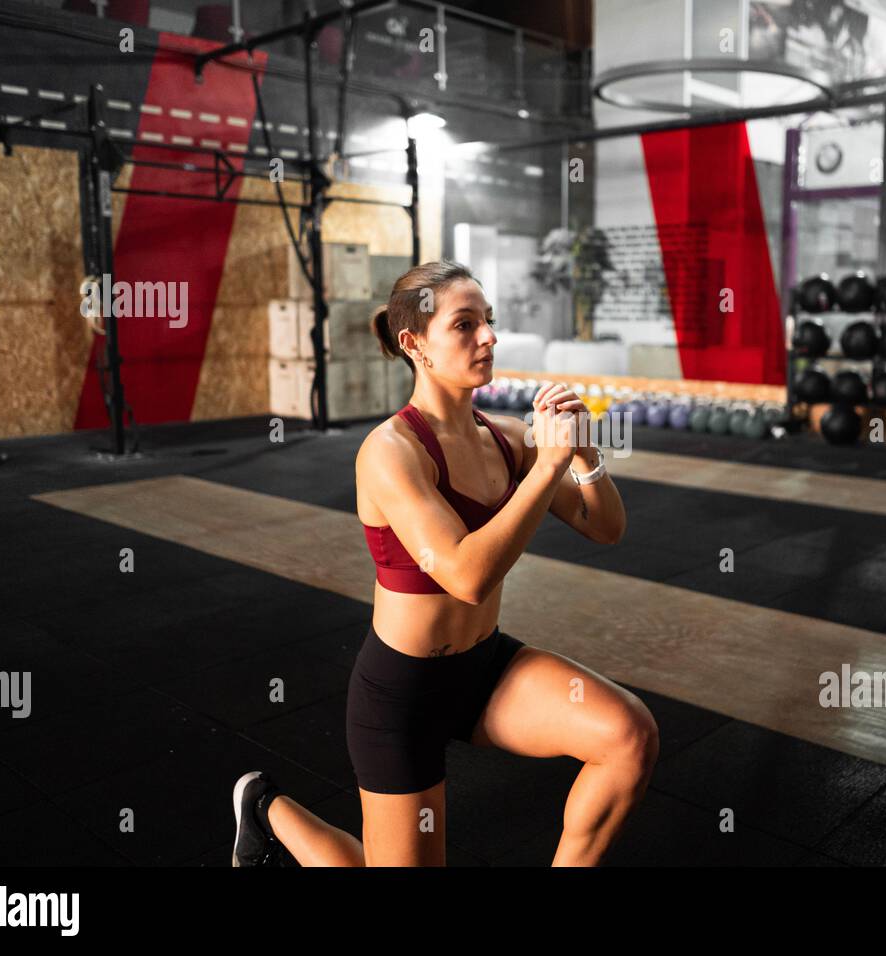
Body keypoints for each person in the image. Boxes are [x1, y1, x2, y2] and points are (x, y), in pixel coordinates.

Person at [232, 259, 657, 867]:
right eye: (465, 324)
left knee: (628, 735)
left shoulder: (506, 438)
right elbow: (466, 576)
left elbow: (606, 527)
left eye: (489, 321)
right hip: (401, 696)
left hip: (484, 670)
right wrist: (546, 467)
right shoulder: (390, 451)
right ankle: (266, 810)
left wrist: (585, 456)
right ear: (415, 344)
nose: (489, 336)